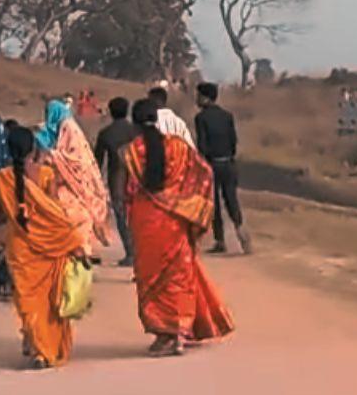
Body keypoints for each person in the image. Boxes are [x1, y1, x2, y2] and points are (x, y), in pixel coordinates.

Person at [125, 100, 236, 357]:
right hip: (175, 223)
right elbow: (204, 172)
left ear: (135, 123)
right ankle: (179, 332)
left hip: (147, 223)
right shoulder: (178, 147)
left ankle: (164, 333)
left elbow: (130, 191)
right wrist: (190, 207)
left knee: (151, 279)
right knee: (178, 276)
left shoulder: (132, 151)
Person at [0, 125, 87, 368]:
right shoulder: (46, 175)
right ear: (33, 149)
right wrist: (73, 243)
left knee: (29, 303)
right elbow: (56, 215)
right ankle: (46, 348)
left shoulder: (1, 179)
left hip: (21, 250)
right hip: (50, 249)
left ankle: (40, 349)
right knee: (50, 302)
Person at [35, 98, 112, 257]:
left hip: (75, 182)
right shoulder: (58, 130)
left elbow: (74, 158)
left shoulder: (69, 128)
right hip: (65, 181)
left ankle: (80, 251)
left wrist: (52, 157)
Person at [195, 82, 251, 254]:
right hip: (228, 163)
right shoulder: (227, 116)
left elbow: (202, 145)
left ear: (205, 98)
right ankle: (243, 237)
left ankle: (220, 241)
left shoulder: (201, 118)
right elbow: (233, 141)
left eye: (198, 96)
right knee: (231, 200)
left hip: (212, 165)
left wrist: (202, 163)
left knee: (214, 204)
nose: (196, 99)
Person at [93, 97, 139, 266]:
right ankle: (141, 251)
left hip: (116, 177)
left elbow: (97, 160)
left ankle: (130, 252)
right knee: (138, 214)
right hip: (137, 177)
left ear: (111, 112)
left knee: (121, 215)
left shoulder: (105, 134)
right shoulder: (136, 131)